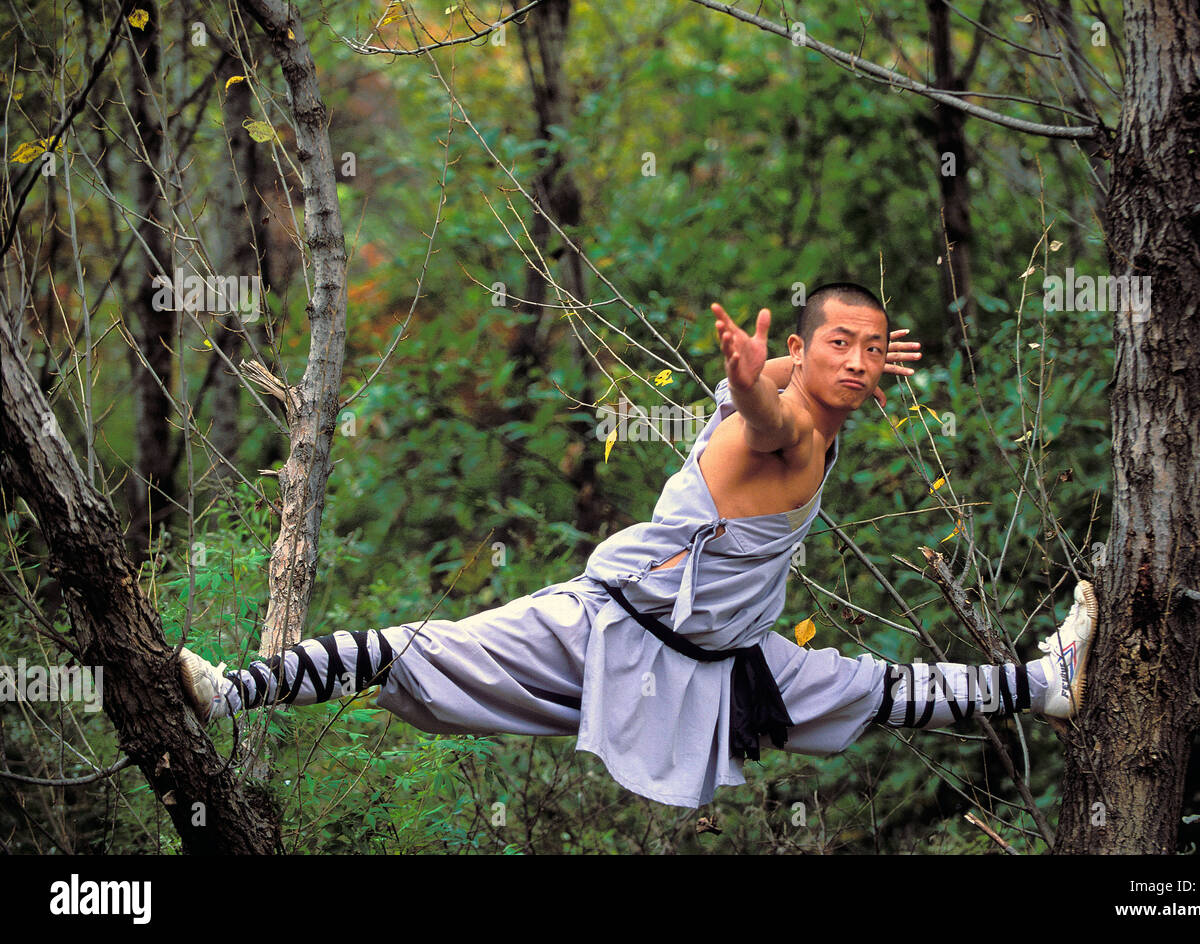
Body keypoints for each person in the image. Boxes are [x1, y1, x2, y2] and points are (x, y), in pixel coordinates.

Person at [179, 282, 1098, 809]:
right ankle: (235, 692)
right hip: (609, 632)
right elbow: (767, 414)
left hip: (727, 661)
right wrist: (748, 380)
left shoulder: (812, 407)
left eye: (872, 349)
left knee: (876, 691)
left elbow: (787, 388)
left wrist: (784, 368)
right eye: (839, 345)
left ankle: (1044, 684)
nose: (857, 363)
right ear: (802, 348)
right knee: (414, 650)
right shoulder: (789, 428)